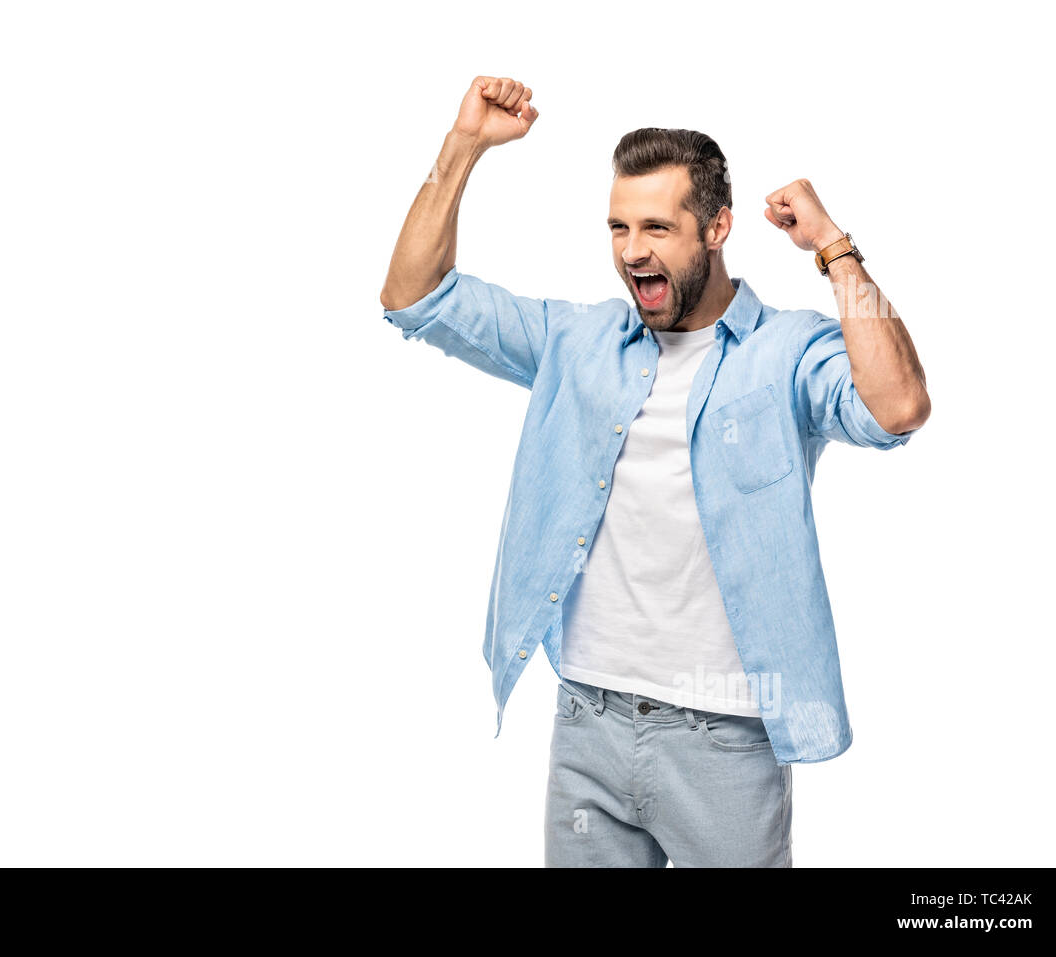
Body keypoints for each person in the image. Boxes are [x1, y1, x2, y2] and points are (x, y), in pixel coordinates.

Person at [379, 76, 930, 868]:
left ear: (717, 228)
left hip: (726, 742)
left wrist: (833, 247)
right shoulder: (575, 340)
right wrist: (462, 148)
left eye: (658, 228)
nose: (633, 249)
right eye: (618, 227)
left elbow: (899, 404)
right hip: (587, 723)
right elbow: (413, 296)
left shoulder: (785, 352)